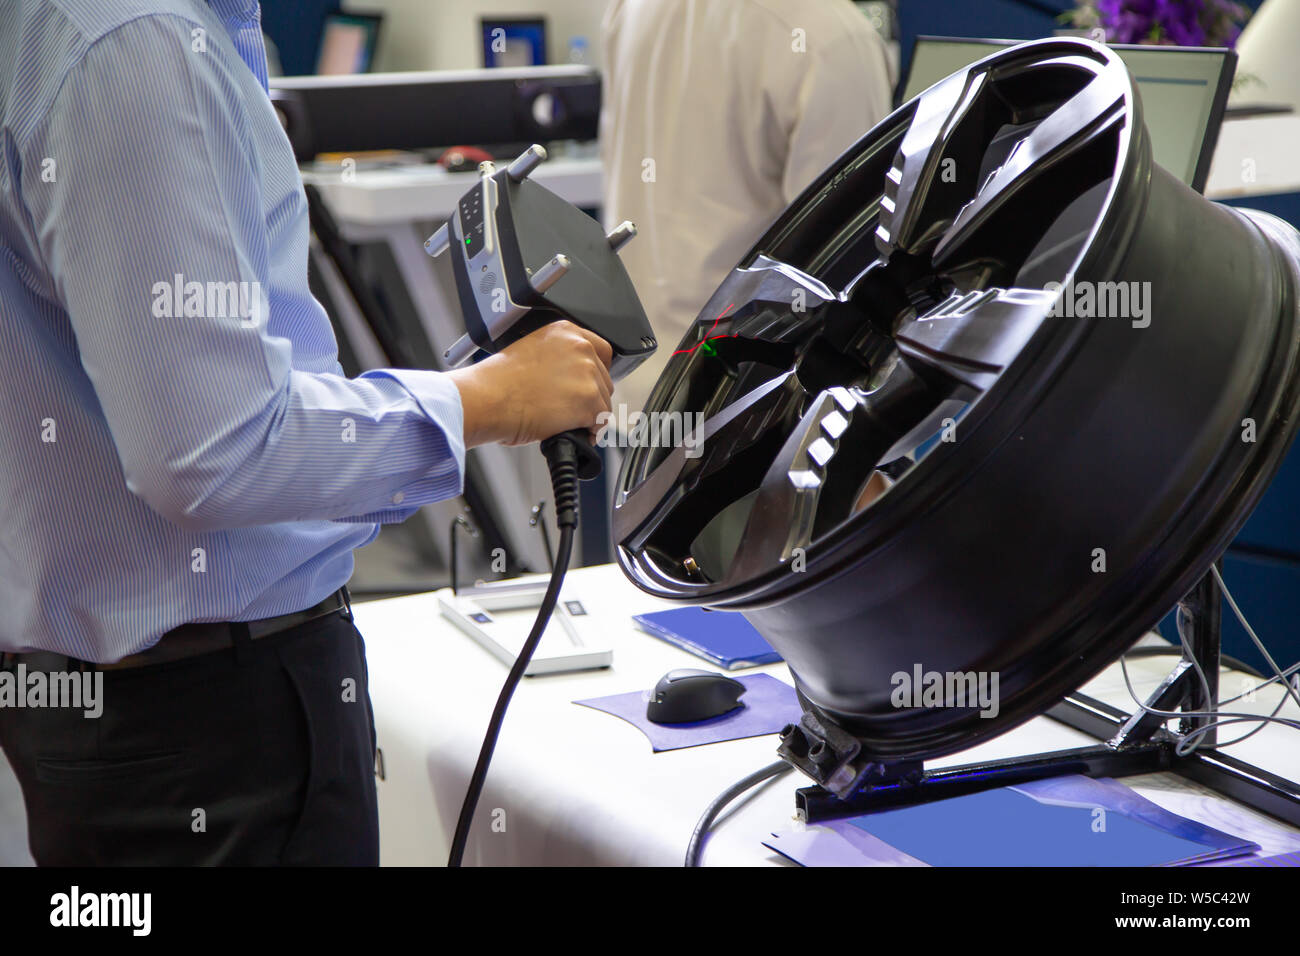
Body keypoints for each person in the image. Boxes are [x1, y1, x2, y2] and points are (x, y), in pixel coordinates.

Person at [0, 0, 612, 865]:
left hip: (101, 708)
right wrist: (487, 401)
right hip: (212, 727)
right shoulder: (135, 42)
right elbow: (211, 451)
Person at [601, 0, 895, 414]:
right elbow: (846, 272)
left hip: (630, 390)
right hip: (742, 417)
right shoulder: (830, 36)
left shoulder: (634, 7)